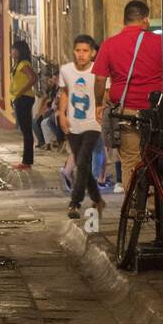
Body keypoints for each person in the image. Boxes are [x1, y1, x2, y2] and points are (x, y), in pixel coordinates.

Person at [93, 0, 163, 178]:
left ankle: (134, 205)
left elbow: (100, 80)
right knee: (156, 160)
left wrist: (98, 104)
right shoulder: (159, 42)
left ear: (124, 20)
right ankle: (154, 203)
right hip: (156, 114)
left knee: (131, 162)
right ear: (145, 19)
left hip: (126, 113)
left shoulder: (109, 44)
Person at [58, 35, 104, 220]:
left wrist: (102, 107)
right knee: (81, 163)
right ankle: (97, 199)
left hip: (93, 123)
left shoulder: (98, 71)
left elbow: (105, 92)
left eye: (85, 51)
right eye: (78, 50)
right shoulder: (66, 70)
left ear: (92, 52)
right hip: (73, 123)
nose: (81, 54)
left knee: (83, 160)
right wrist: (62, 114)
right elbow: (65, 92)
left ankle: (74, 203)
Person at [10, 40, 38, 170]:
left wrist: (21, 92)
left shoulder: (23, 64)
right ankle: (26, 160)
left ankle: (27, 162)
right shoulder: (17, 64)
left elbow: (33, 78)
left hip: (24, 98)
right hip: (20, 98)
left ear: (20, 51)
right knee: (25, 130)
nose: (12, 52)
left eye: (14, 50)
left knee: (26, 130)